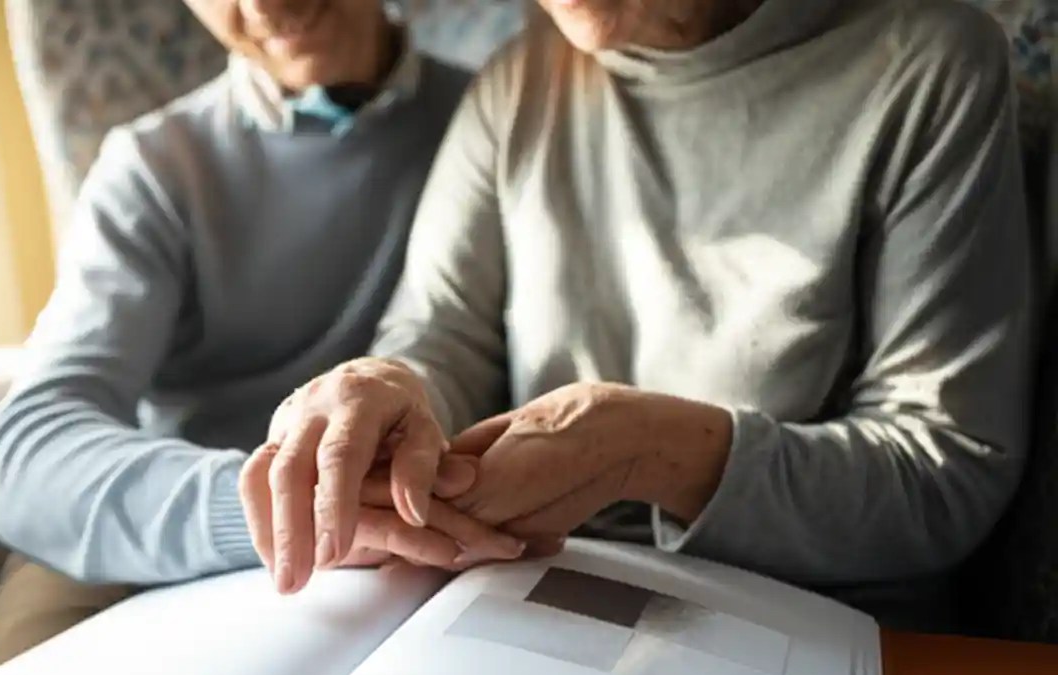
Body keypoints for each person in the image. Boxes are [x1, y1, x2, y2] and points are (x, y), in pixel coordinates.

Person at [241, 0, 1035, 630]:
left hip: (801, 623)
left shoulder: (929, 62)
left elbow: (945, 474)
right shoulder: (519, 80)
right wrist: (382, 391)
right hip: (530, 599)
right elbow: (438, 334)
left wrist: (648, 449)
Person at [0, 0, 526, 675]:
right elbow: (28, 454)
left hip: (415, 532)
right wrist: (268, 505)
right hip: (157, 530)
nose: (261, 5)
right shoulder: (154, 166)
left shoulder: (495, 121)